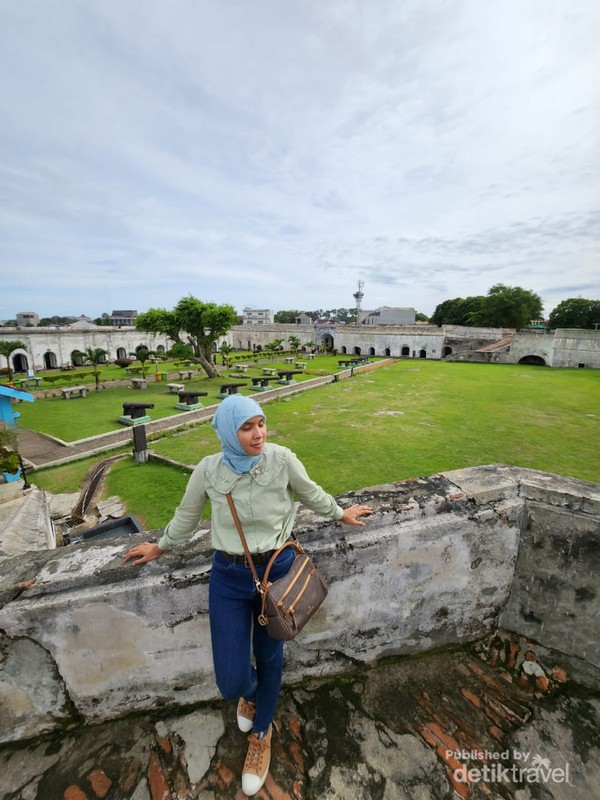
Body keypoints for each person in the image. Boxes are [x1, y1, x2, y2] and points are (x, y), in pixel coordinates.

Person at [124, 394, 372, 796]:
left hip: (279, 573)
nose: (258, 434)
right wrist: (160, 547)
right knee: (232, 677)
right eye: (246, 427)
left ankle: (262, 731)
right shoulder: (208, 471)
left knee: (272, 653)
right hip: (229, 575)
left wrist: (340, 512)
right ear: (227, 431)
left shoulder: (281, 459)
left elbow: (311, 493)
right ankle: (256, 697)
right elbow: (186, 519)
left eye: (261, 423)